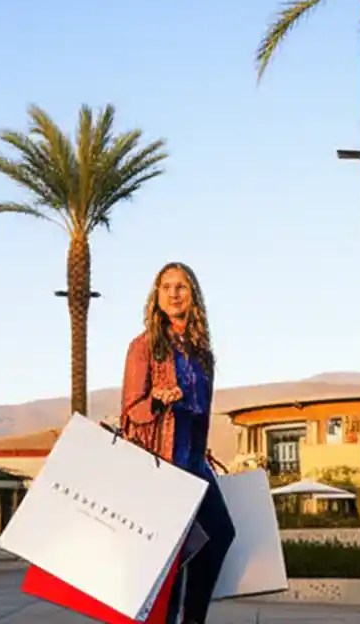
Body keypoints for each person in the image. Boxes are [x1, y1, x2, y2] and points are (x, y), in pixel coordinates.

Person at [120, 262, 235, 624]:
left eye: (181, 286)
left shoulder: (203, 354)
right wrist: (156, 398)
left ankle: (194, 618)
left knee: (219, 534)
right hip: (162, 459)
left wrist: (203, 445)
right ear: (156, 297)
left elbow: (201, 409)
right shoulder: (144, 347)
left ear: (193, 295)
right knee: (169, 556)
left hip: (194, 459)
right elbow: (130, 412)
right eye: (166, 287)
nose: (173, 293)